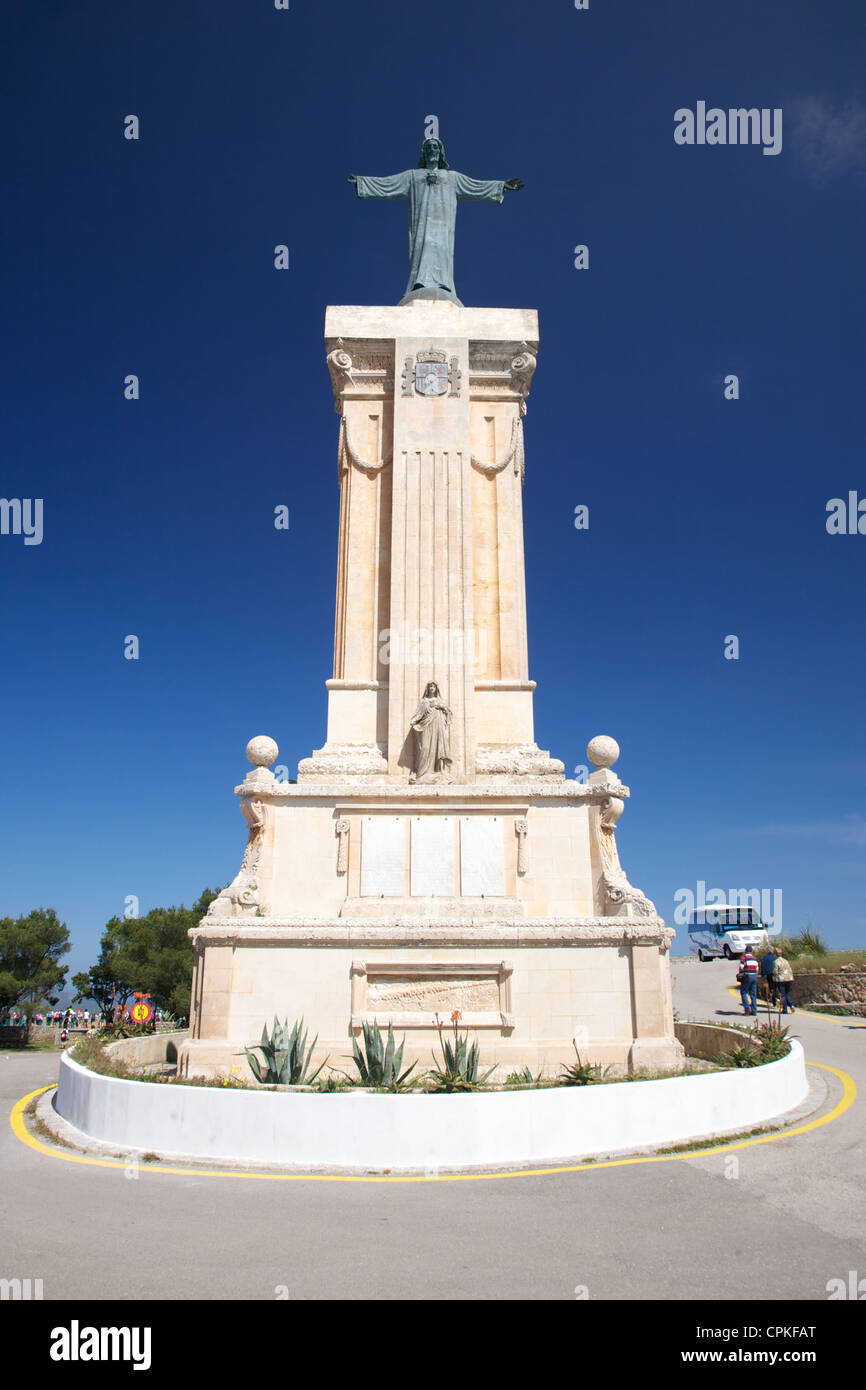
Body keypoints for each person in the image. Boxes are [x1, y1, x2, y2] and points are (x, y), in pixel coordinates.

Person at [737, 947, 759, 1015]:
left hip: (747, 976)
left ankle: (747, 1010)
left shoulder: (744, 958)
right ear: (751, 951)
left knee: (743, 992)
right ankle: (754, 1010)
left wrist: (740, 973)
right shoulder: (755, 959)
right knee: (753, 994)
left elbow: (741, 967)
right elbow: (757, 969)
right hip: (754, 976)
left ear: (745, 951)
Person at [773, 948, 795, 1013]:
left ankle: (785, 1009)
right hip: (789, 978)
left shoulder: (776, 962)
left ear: (775, 954)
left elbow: (775, 972)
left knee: (782, 994)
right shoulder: (786, 961)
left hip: (781, 979)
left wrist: (774, 979)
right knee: (787, 993)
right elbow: (790, 969)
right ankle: (791, 1005)